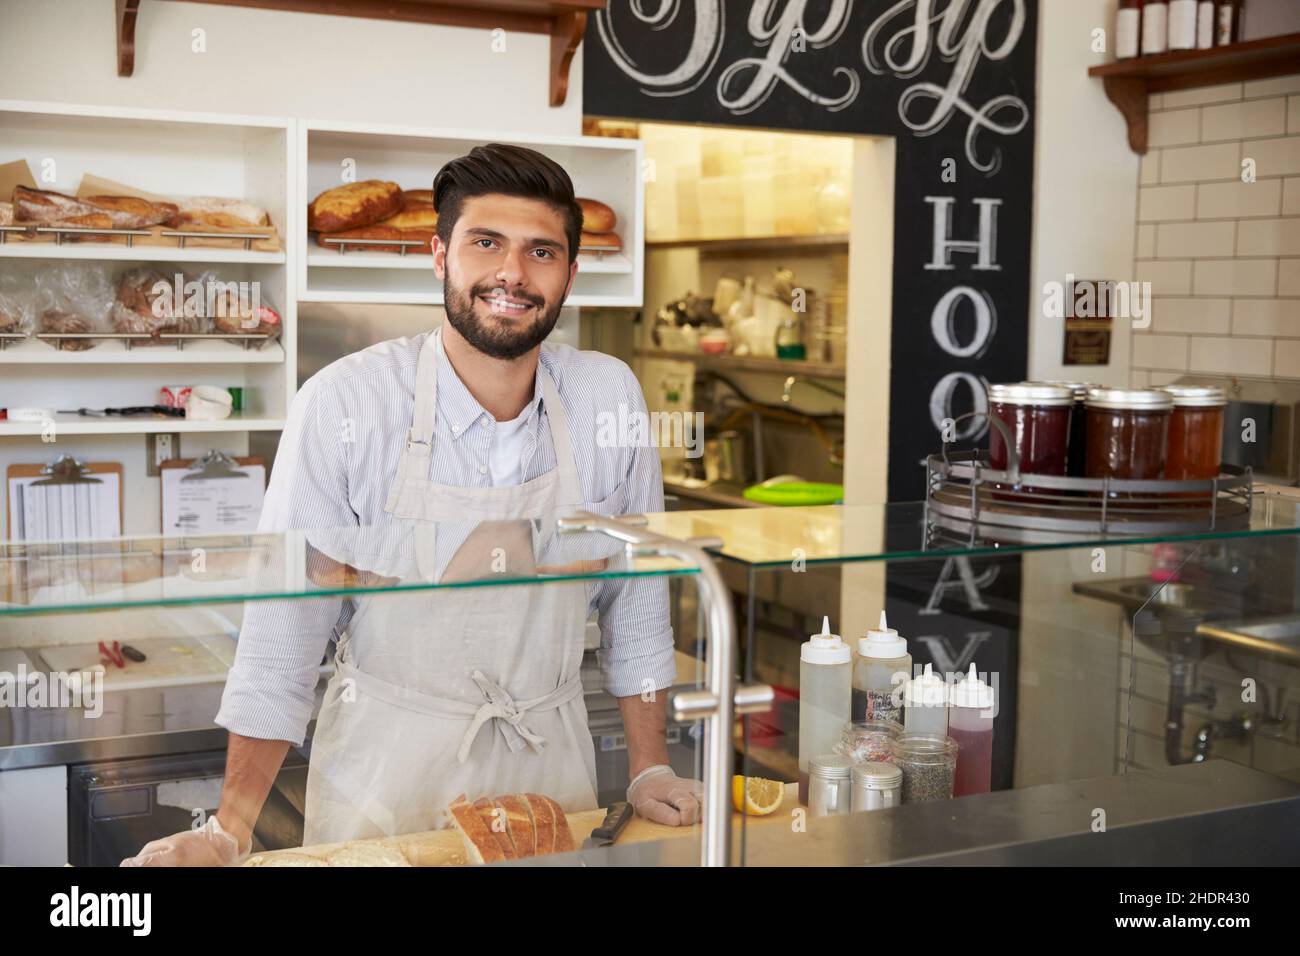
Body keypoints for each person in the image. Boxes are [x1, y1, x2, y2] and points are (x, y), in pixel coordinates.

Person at [123, 144, 701, 866]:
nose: (512, 273)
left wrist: (650, 767)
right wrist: (226, 831)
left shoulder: (606, 396)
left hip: (550, 778)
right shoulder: (344, 403)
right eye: (485, 242)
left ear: (570, 274)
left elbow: (638, 597)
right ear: (439, 255)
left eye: (541, 252)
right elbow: (284, 632)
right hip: (386, 774)